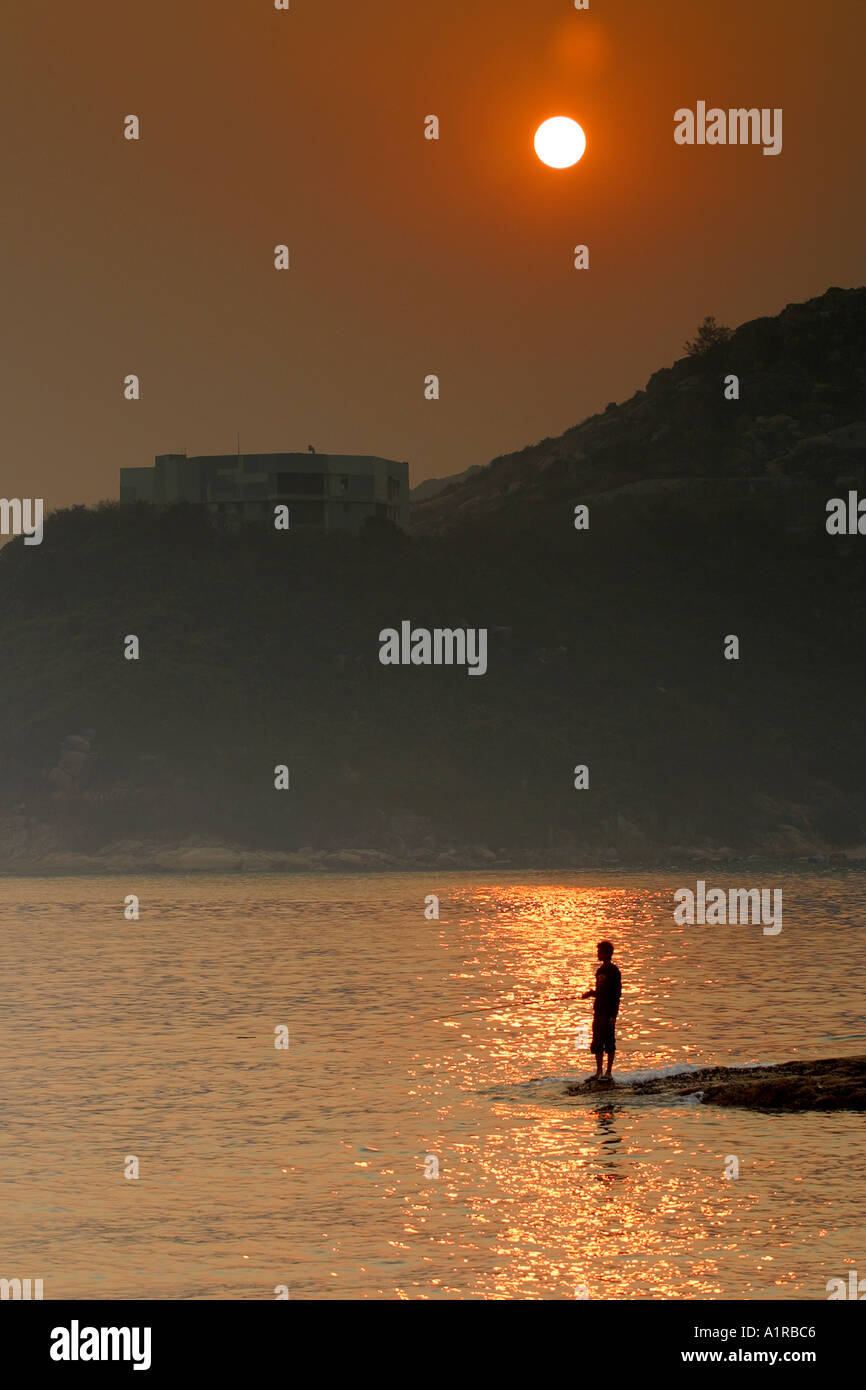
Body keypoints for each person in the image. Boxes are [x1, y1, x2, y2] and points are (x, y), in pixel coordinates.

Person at [580, 940, 622, 1081]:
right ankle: (598, 1071)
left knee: (609, 1041)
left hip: (608, 1012)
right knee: (597, 1041)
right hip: (598, 1011)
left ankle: (608, 1072)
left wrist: (613, 1015)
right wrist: (591, 994)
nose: (597, 954)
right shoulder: (600, 971)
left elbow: (616, 994)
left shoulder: (614, 971)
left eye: (600, 952)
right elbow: (601, 991)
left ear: (606, 953)